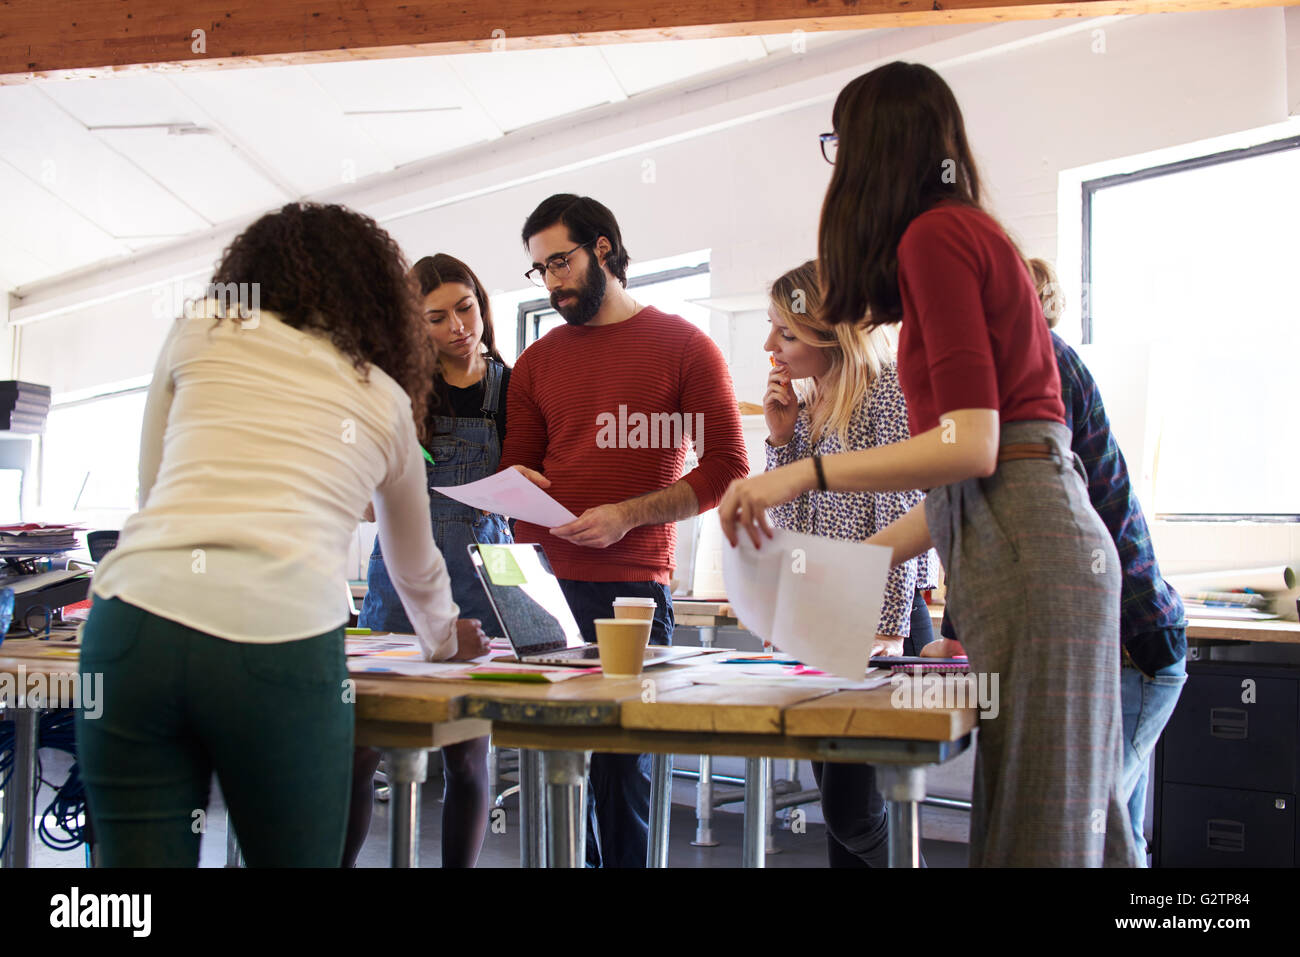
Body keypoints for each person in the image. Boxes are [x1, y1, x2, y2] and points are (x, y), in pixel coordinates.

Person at [718, 62, 1139, 866]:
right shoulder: (961, 233)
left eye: (839, 143)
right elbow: (974, 473)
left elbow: (974, 444)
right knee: (1080, 829)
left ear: (874, 147)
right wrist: (844, 566)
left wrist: (803, 473)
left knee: (1038, 836)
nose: (836, 167)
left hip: (1033, 557)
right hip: (1036, 548)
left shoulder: (935, 235)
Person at [75, 203, 488, 867]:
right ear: (381, 299)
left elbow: (151, 493)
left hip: (133, 626)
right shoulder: (382, 396)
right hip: (278, 643)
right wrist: (445, 638)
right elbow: (414, 563)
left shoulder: (199, 328)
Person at [501, 194, 749, 867]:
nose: (551, 281)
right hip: (542, 588)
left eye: (561, 261)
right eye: (539, 270)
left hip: (631, 592)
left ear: (603, 249)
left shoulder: (685, 346)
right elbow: (514, 469)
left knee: (622, 773)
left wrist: (628, 514)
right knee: (555, 771)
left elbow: (727, 468)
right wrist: (520, 485)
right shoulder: (537, 362)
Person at [763, 260, 938, 866]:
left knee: (853, 810)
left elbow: (902, 515)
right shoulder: (814, 407)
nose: (769, 348)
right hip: (825, 620)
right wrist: (783, 441)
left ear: (830, 331)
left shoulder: (886, 391)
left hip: (876, 621)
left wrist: (887, 627)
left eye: (784, 333)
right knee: (840, 811)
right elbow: (792, 527)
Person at [347, 253, 512, 868]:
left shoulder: (513, 386)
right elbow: (367, 501)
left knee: (468, 752)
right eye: (436, 318)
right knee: (362, 747)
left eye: (465, 309)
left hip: (485, 580)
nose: (457, 328)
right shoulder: (401, 391)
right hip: (401, 583)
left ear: (482, 304)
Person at [1026, 257, 1188, 864]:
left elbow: (1023, 508)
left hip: (1132, 646)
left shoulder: (1043, 363)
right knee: (1119, 837)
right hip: (1129, 642)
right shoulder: (1040, 365)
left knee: (1083, 832)